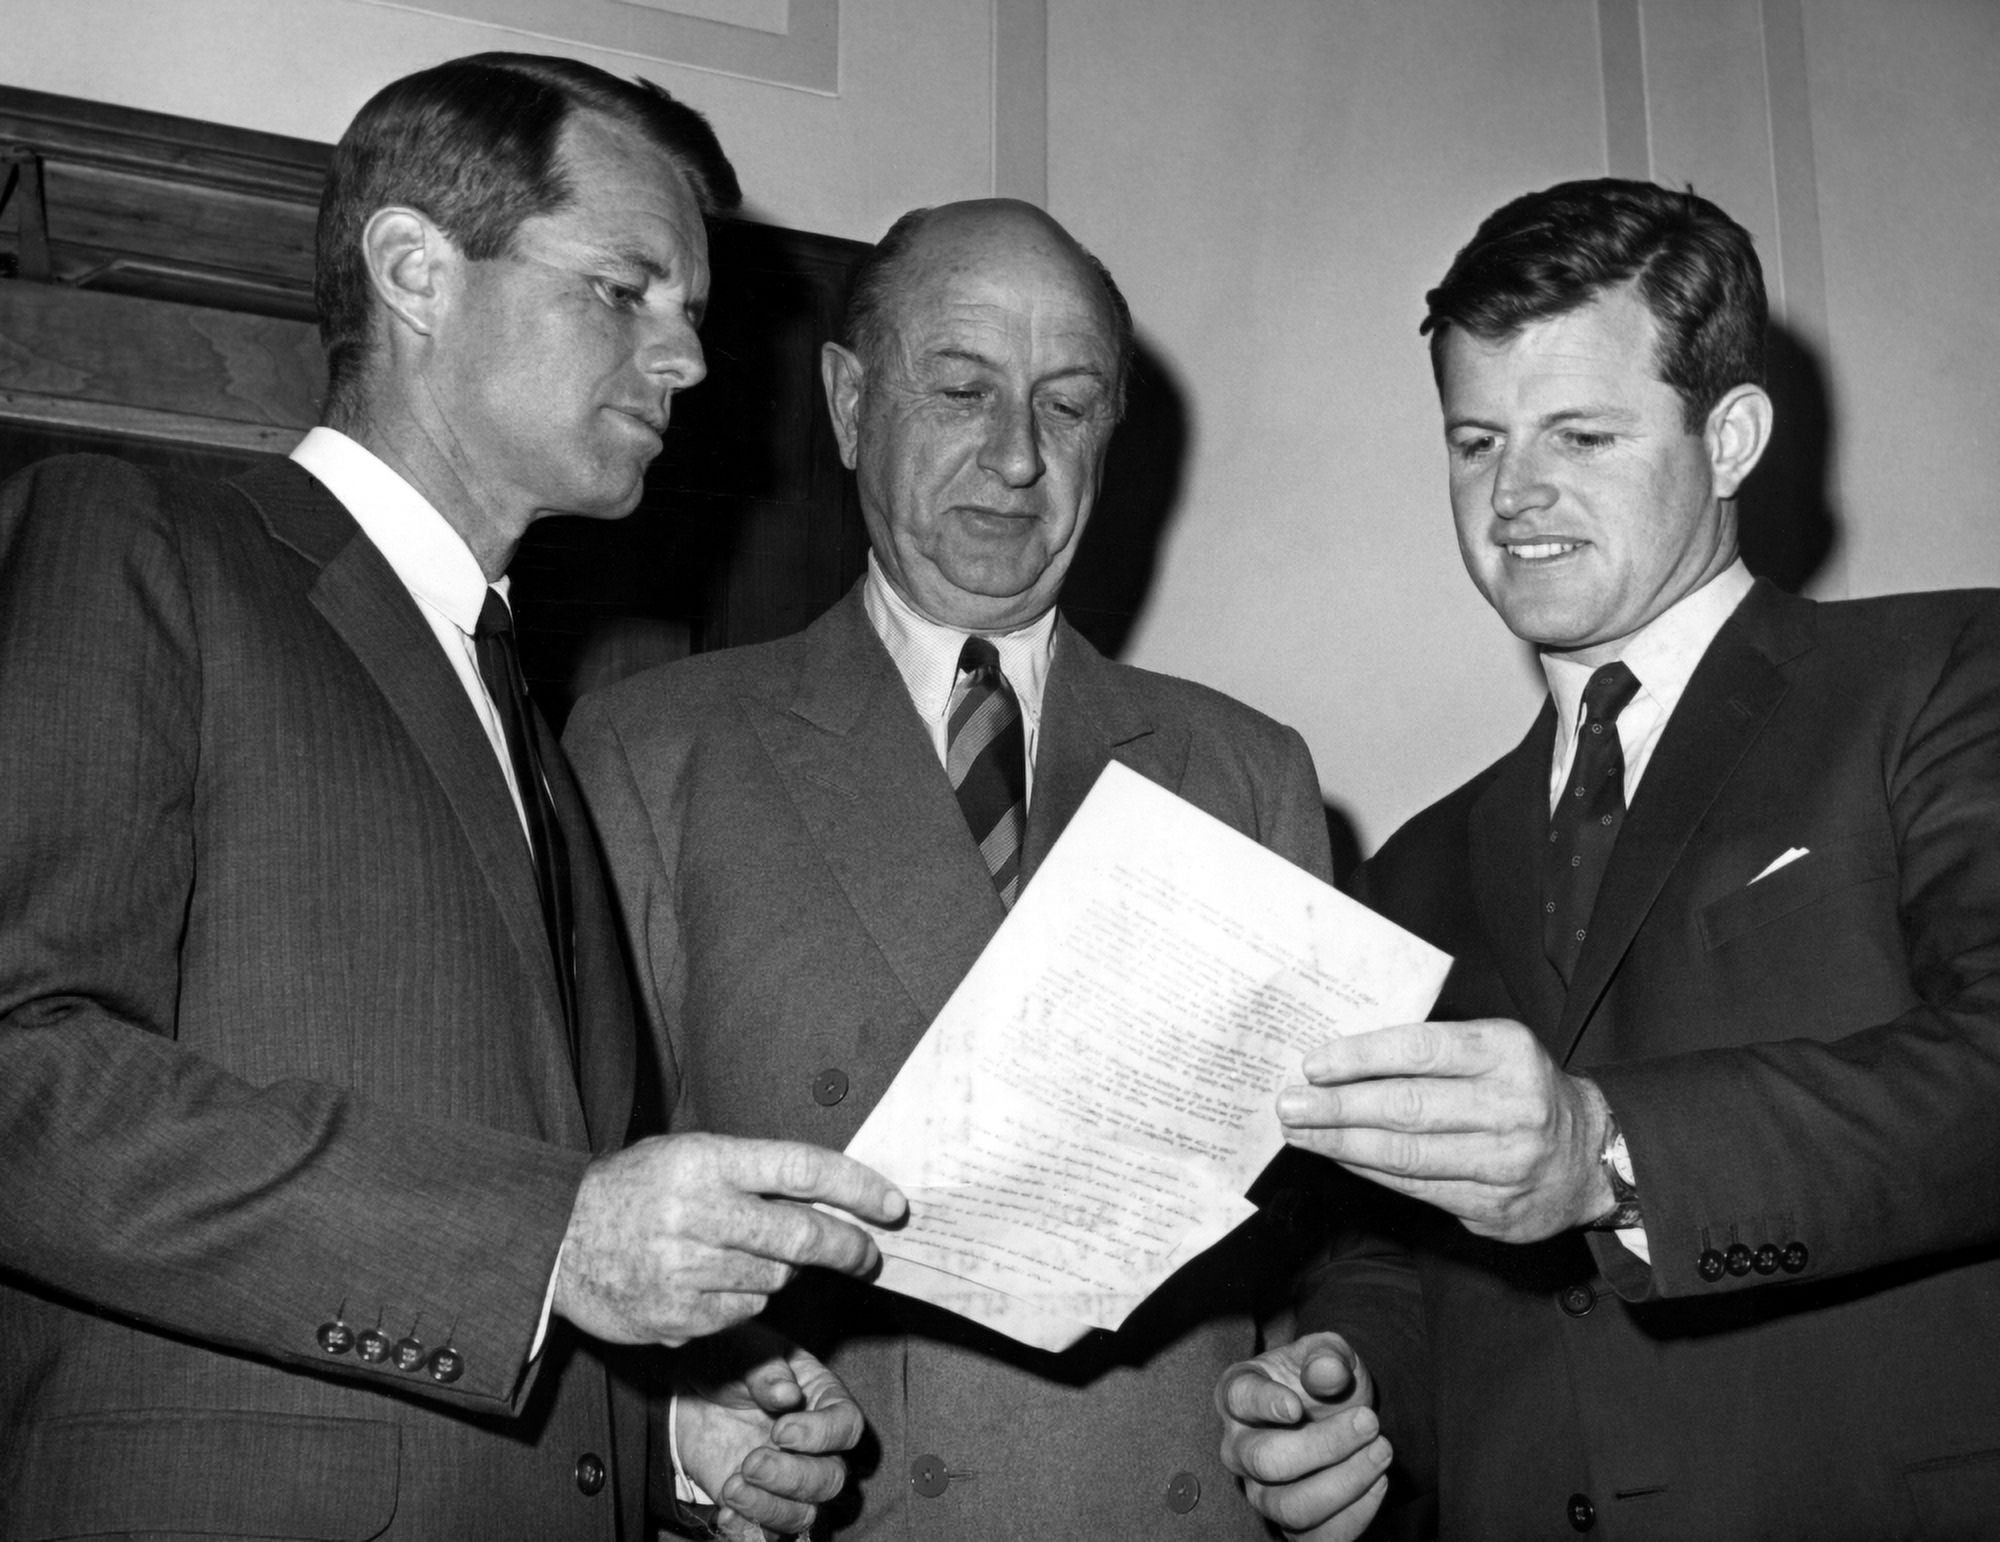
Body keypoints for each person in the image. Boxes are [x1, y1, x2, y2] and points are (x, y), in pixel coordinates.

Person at [0, 52, 906, 1542]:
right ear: (416, 269)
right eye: (628, 289)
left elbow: (511, 1238)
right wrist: (555, 1242)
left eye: (693, 314)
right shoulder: (137, 544)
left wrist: (662, 1434)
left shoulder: (530, 723)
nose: (684, 360)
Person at [1216, 176, 2000, 1540]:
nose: (1515, 494)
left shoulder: (1943, 674)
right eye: (1476, 442)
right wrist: (1350, 1392)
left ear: (1734, 435)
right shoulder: (1417, 861)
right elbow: (1397, 1252)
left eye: (1581, 433)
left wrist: (1611, 1152)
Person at [565, 198, 1334, 1539]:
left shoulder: (1248, 768)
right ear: (853, 404)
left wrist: (1326, 1392)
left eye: (1070, 404)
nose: (1019, 458)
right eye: (964, 388)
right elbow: (562, 1226)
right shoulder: (653, 750)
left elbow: (1315, 1243)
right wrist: (683, 1446)